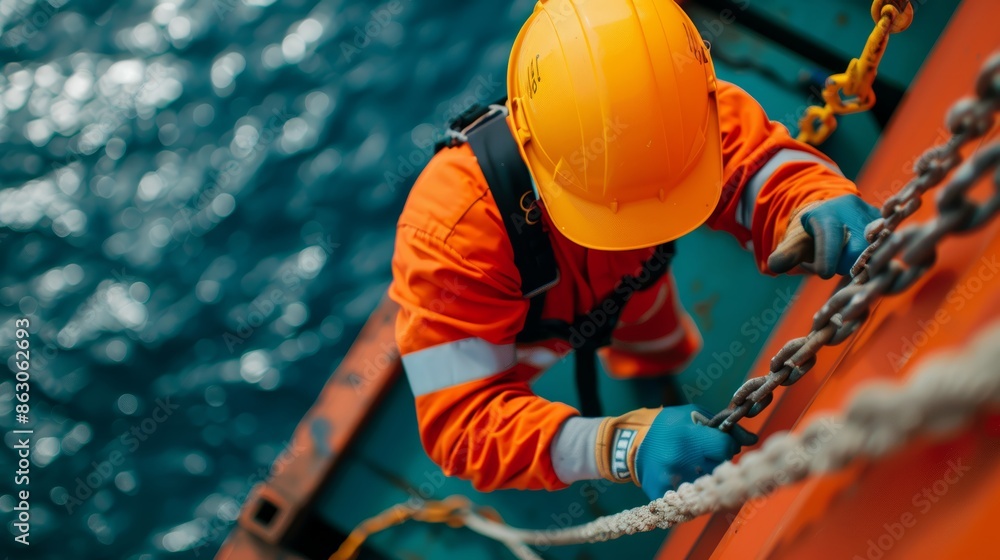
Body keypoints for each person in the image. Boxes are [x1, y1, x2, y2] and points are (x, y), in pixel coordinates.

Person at [388, 0, 879, 501]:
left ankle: (653, 373)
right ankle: (644, 418)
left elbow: (754, 162)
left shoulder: (679, 104)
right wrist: (615, 446)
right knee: (509, 421)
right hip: (519, 336)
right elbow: (463, 421)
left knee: (652, 330)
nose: (643, 224)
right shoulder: (451, 237)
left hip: (636, 283)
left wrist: (813, 201)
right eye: (624, 211)